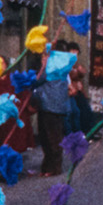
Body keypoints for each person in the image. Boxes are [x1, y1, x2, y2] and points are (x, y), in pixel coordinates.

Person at [36, 39, 73, 177]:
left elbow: (38, 80)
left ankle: (54, 167)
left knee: (52, 137)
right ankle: (47, 166)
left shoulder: (52, 67)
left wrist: (43, 66)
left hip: (50, 105)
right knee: (47, 137)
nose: (43, 58)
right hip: (49, 104)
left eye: (44, 56)